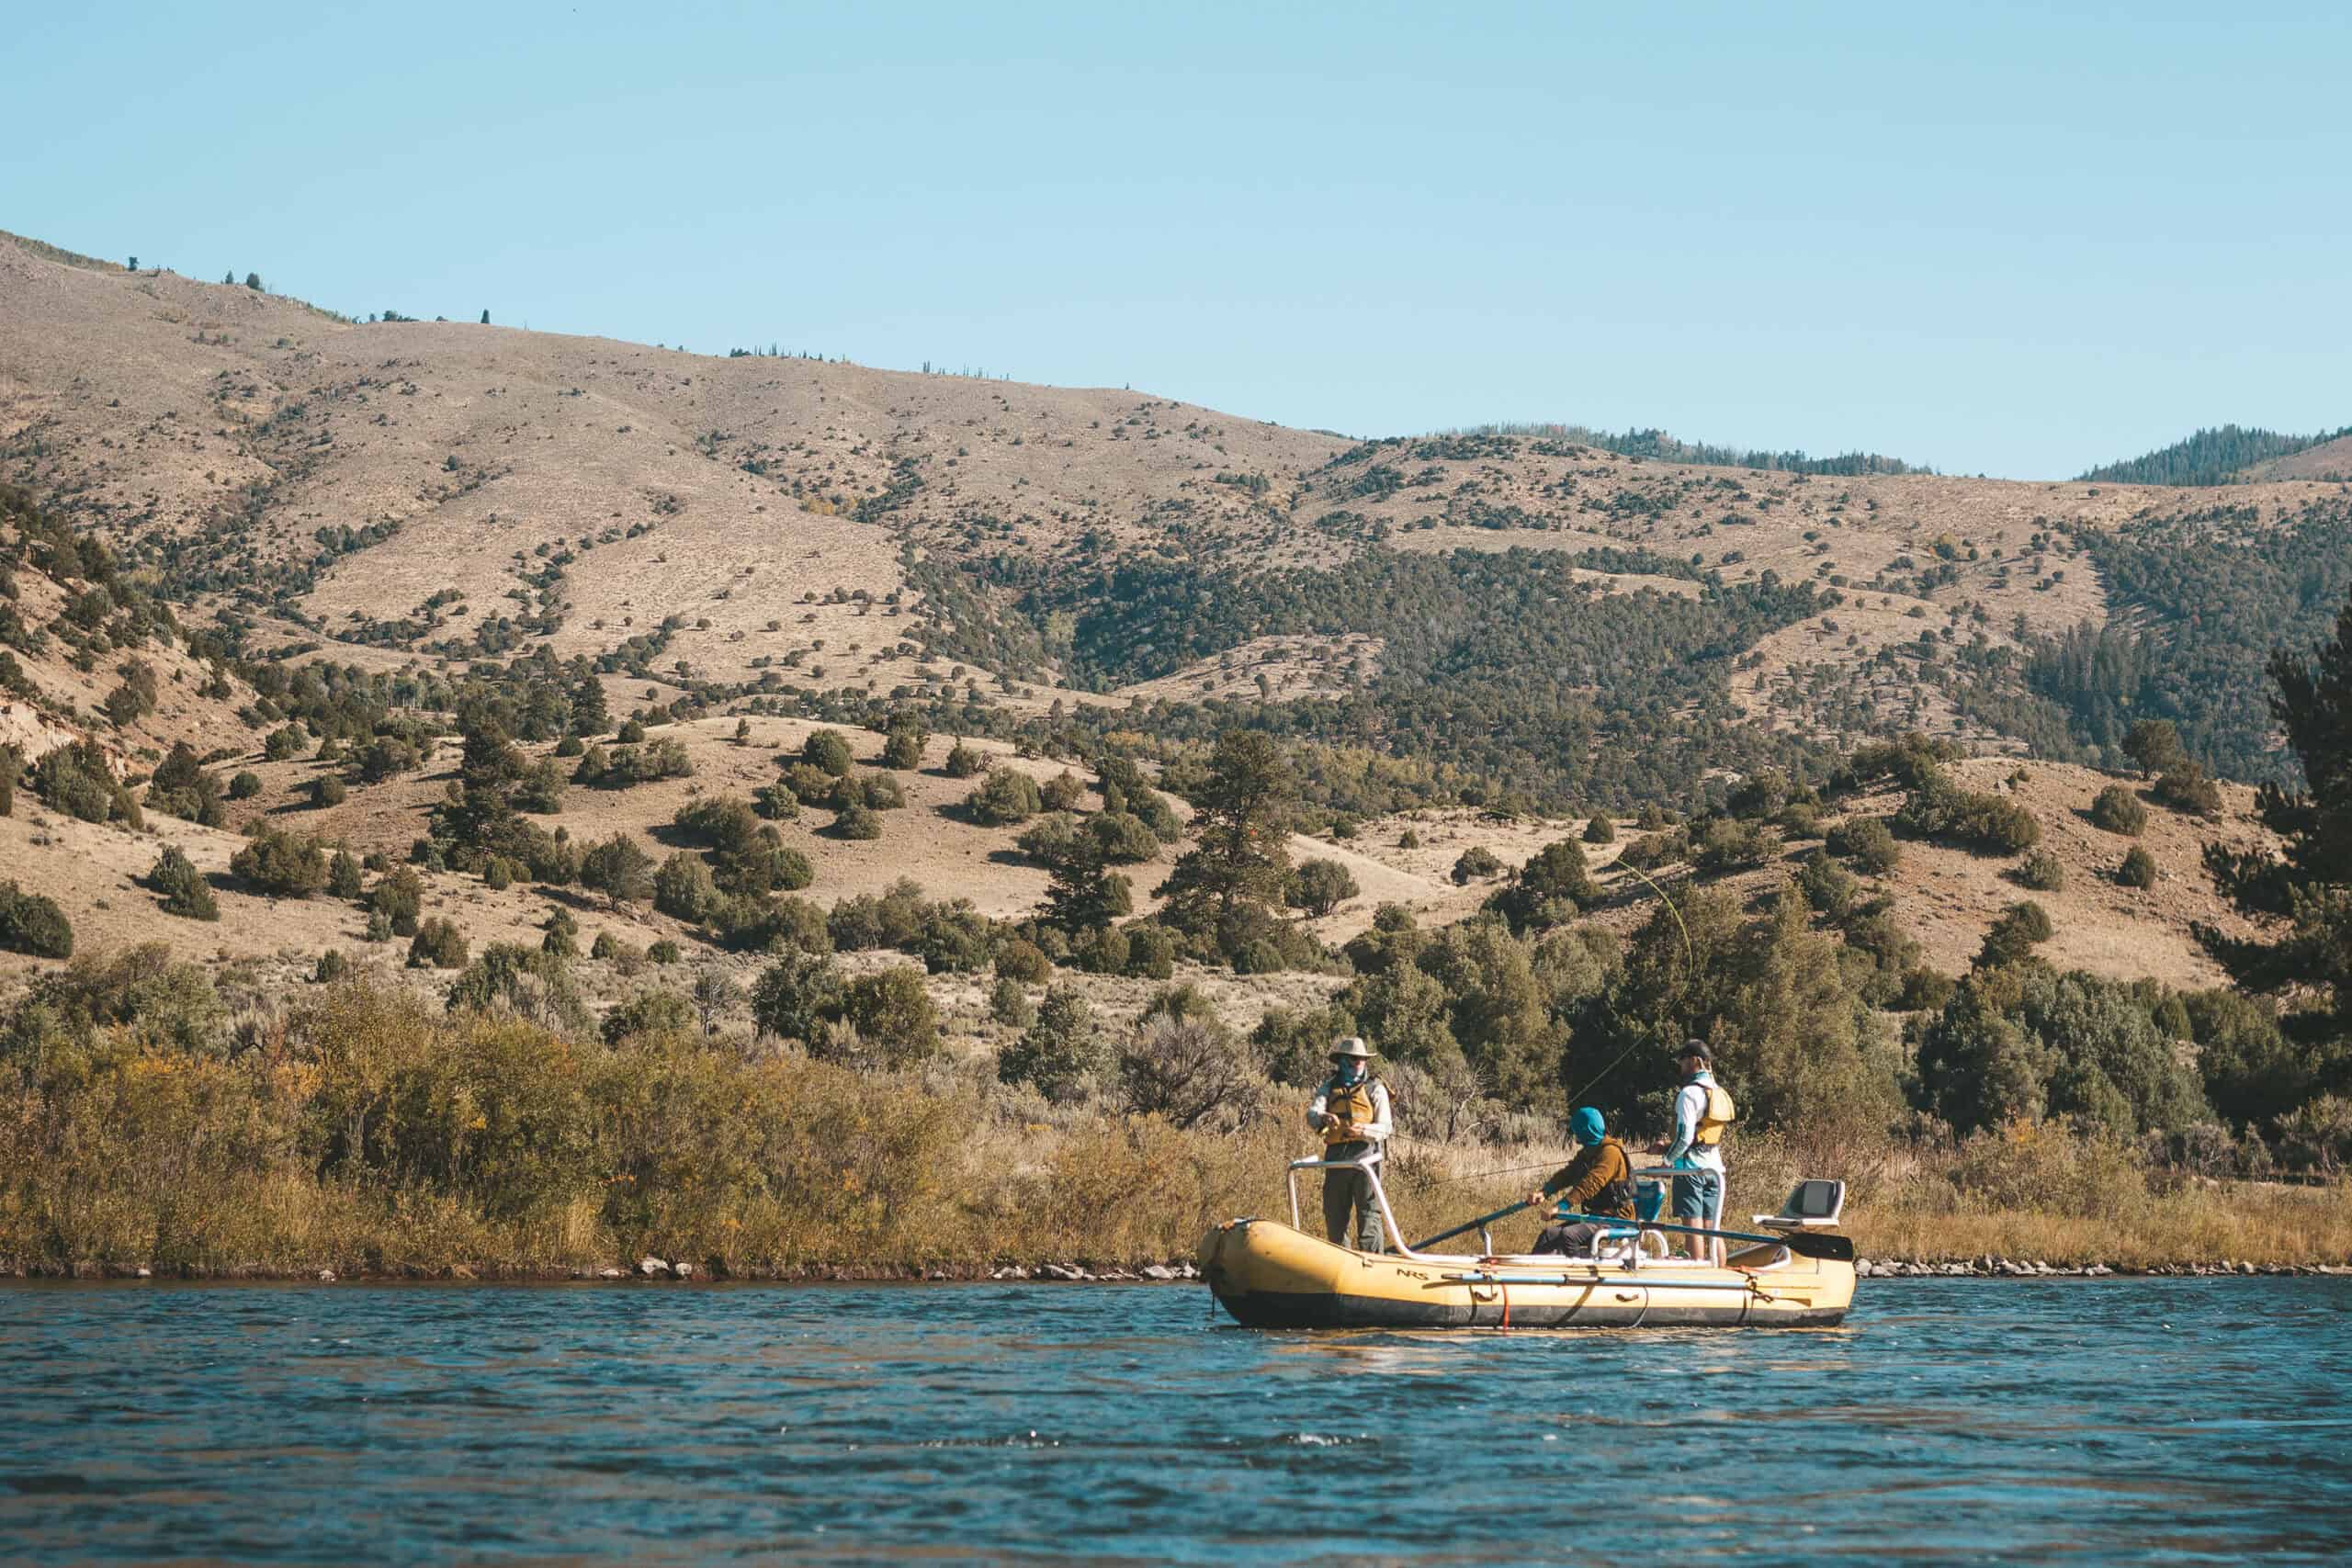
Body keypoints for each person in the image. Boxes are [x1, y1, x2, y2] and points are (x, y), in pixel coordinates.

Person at [1650, 1040, 1734, 1263]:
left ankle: (1697, 1273)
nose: (1680, 1066)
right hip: (1714, 1169)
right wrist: (1667, 1146)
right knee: (1713, 1226)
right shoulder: (1718, 1092)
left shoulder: (1688, 1094)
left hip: (1690, 1171)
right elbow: (1701, 1136)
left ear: (1694, 1061)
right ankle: (1721, 1275)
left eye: (1682, 1060)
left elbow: (1686, 1138)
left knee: (1693, 1226)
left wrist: (1666, 1161)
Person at [1306, 1037, 1392, 1253]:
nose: (1358, 1063)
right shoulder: (1328, 1088)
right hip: (1336, 1157)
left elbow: (1385, 1127)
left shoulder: (1375, 1088)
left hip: (1367, 1157)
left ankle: (1373, 1263)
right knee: (1334, 1213)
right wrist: (1324, 1117)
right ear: (1342, 1061)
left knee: (1369, 1213)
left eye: (1361, 1059)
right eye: (1353, 1059)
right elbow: (1313, 1114)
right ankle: (1341, 1260)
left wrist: (1363, 1130)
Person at [1523, 1106, 1637, 1258]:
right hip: (1595, 1216)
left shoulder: (1611, 1153)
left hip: (1616, 1218)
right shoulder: (1588, 1152)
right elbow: (1567, 1175)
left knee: (1569, 1235)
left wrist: (1560, 1206)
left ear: (1586, 1130)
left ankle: (1586, 1270)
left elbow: (1590, 1184)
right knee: (1548, 1234)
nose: (1575, 1135)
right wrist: (1544, 1192)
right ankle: (1534, 1273)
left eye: (1577, 1131)